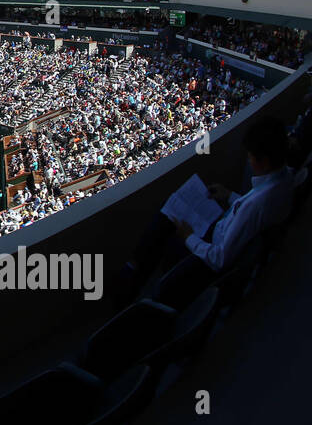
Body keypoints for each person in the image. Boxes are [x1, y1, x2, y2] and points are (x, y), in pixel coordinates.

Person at [120, 115, 294, 309]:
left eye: (251, 156)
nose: (248, 159)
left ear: (265, 161)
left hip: (211, 249)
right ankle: (136, 275)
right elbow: (248, 211)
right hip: (222, 229)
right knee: (170, 212)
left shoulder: (257, 204)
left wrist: (188, 237)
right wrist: (229, 196)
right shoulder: (285, 178)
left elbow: (219, 258)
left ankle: (132, 285)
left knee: (166, 218)